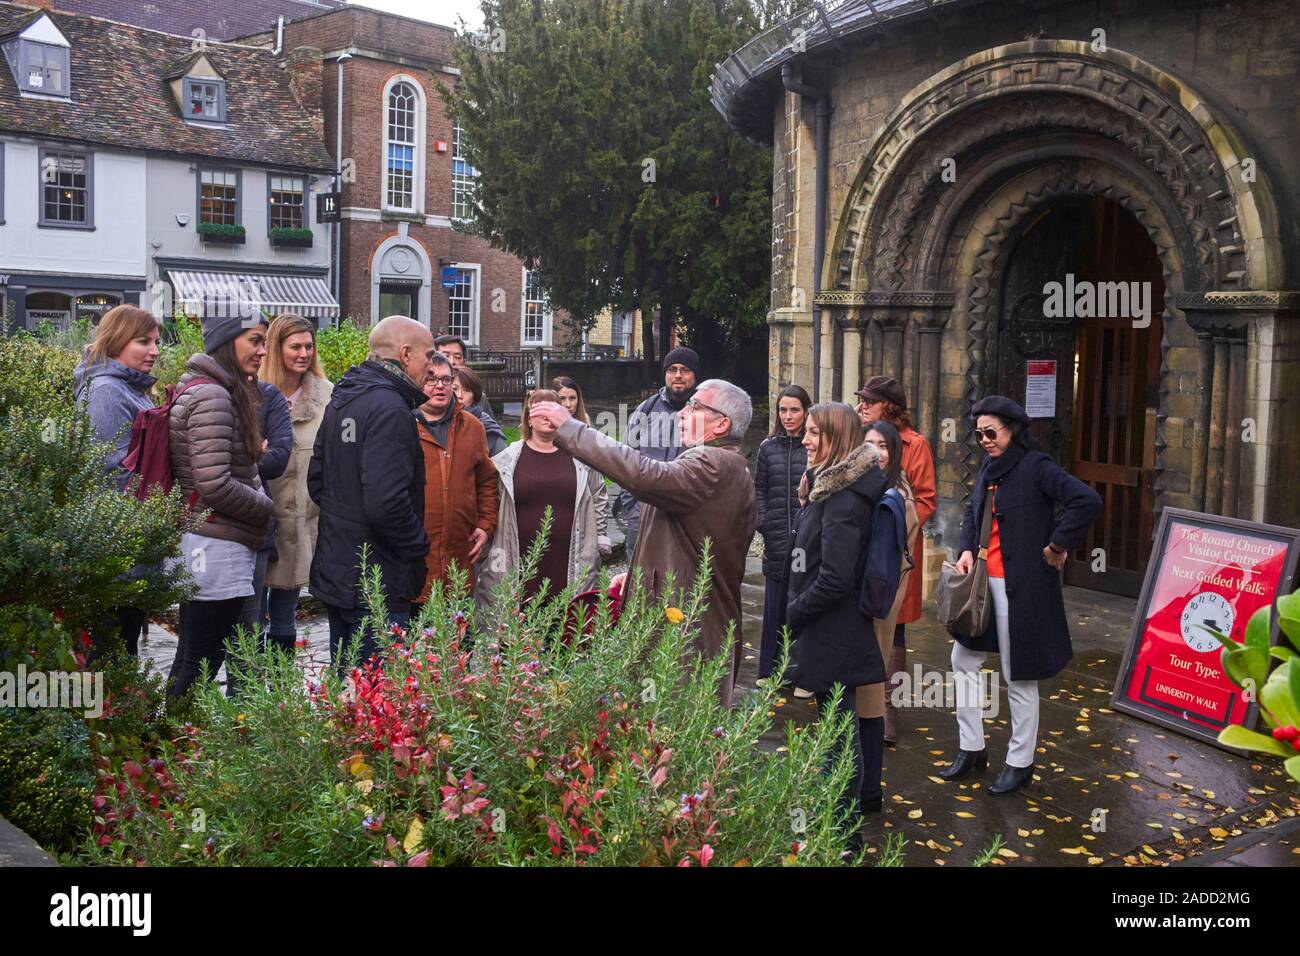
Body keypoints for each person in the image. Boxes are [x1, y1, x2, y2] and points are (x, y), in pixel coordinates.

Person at [529, 378, 756, 708]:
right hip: (679, 616)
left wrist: (571, 429)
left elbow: (644, 475)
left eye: (695, 407)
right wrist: (638, 573)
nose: (682, 413)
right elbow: (681, 538)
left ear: (721, 424)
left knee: (670, 723)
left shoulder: (713, 464)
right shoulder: (715, 464)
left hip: (686, 629)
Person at [941, 396, 1102, 794]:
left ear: (1013, 429)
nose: (984, 440)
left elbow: (1087, 500)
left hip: (1022, 588)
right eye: (978, 434)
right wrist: (964, 549)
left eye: (990, 432)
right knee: (962, 659)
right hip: (982, 585)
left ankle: (1020, 760)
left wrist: (1058, 544)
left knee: (1019, 676)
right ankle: (972, 747)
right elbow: (971, 513)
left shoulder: (1037, 467)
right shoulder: (988, 468)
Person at [308, 315, 434, 672]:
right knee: (377, 701)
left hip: (339, 570)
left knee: (347, 694)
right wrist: (417, 546)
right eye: (428, 356)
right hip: (378, 579)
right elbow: (386, 502)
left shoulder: (345, 398)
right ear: (405, 354)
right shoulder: (391, 409)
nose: (431, 366)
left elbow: (318, 481)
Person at [783, 403, 888, 818]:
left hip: (834, 632)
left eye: (814, 433)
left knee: (839, 736)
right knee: (838, 729)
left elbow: (835, 578)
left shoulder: (842, 499)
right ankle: (842, 821)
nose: (805, 440)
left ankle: (842, 829)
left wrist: (794, 611)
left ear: (836, 438)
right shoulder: (830, 489)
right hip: (831, 630)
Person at [165, 313, 274, 700]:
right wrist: (265, 508)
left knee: (193, 654)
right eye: (255, 341)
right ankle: (169, 744)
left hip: (207, 538)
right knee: (203, 657)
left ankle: (164, 739)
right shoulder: (213, 394)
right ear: (228, 341)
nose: (263, 351)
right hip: (217, 542)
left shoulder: (205, 387)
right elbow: (213, 482)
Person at [73, 304, 162, 658]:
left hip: (132, 544)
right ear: (117, 341)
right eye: (144, 342)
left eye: (156, 342)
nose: (154, 351)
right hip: (117, 549)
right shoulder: (107, 391)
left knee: (121, 651)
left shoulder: (129, 387)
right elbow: (110, 473)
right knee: (111, 653)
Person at [856, 375, 935, 743]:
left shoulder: (914, 444)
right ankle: (860, 698)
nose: (862, 407)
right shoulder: (861, 437)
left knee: (895, 628)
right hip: (860, 545)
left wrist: (891, 522)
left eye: (869, 401)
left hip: (895, 551)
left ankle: (889, 708)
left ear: (888, 405)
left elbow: (926, 499)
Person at [476, 389, 606, 612]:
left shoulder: (583, 460)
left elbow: (599, 497)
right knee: (517, 633)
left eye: (553, 411)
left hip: (570, 559)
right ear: (528, 417)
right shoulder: (505, 461)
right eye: (540, 411)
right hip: (518, 559)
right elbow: (490, 503)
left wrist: (599, 542)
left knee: (568, 628)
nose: (547, 417)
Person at [259, 313, 333, 654]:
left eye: (309, 346)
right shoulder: (254, 394)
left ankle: (282, 687)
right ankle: (246, 689)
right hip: (261, 515)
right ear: (277, 348)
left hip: (305, 514)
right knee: (251, 611)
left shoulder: (327, 396)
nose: (304, 353)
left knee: (286, 607)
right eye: (295, 347)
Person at [856, 421, 918, 800]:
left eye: (883, 445)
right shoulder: (872, 487)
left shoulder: (896, 495)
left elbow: (889, 560)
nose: (876, 451)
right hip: (873, 598)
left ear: (894, 452)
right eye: (869, 444)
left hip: (879, 601)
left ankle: (867, 789)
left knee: (869, 693)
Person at [415, 353, 499, 602]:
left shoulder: (472, 426)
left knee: (454, 637)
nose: (440, 386)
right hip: (414, 558)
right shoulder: (402, 422)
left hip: (458, 558)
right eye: (431, 379)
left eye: (446, 379)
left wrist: (486, 525)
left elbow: (486, 481)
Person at [618, 347, 700, 556]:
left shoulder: (706, 414)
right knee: (639, 580)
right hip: (644, 513)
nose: (678, 375)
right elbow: (626, 460)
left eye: (685, 370)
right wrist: (634, 509)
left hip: (690, 515)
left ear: (695, 375)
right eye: (672, 370)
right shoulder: (645, 411)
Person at [754, 384, 810, 686]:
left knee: (800, 606)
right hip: (776, 536)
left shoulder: (813, 446)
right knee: (774, 607)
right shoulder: (767, 447)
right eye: (783, 410)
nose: (788, 416)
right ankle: (768, 670)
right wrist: (763, 520)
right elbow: (759, 489)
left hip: (804, 539)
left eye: (794, 410)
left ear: (805, 411)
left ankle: (800, 674)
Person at [553, 375, 611, 559]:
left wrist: (601, 534)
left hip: (580, 521)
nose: (568, 404)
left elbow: (598, 492)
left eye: (572, 398)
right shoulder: (540, 433)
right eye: (562, 399)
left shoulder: (587, 436)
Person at [435, 333, 506, 455]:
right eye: (445, 356)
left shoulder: (480, 400)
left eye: (457, 356)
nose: (452, 361)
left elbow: (492, 433)